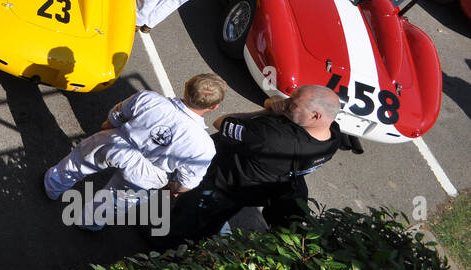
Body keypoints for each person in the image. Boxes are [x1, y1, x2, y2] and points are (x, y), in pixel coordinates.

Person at [162, 87, 344, 246]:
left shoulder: (272, 138)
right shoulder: (331, 136)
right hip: (241, 194)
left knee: (180, 219)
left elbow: (221, 122)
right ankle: (187, 248)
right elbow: (278, 104)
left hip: (216, 183)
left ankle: (156, 246)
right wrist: (278, 104)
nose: (286, 103)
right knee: (208, 226)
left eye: (293, 104)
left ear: (315, 116)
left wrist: (266, 112)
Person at [43, 75, 228, 230]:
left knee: (78, 162)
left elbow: (115, 117)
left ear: (186, 85)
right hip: (149, 174)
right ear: (213, 107)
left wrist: (105, 134)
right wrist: (173, 189)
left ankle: (53, 185)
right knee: (115, 201)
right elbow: (187, 182)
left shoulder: (149, 99)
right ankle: (88, 222)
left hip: (119, 143)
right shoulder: (204, 146)